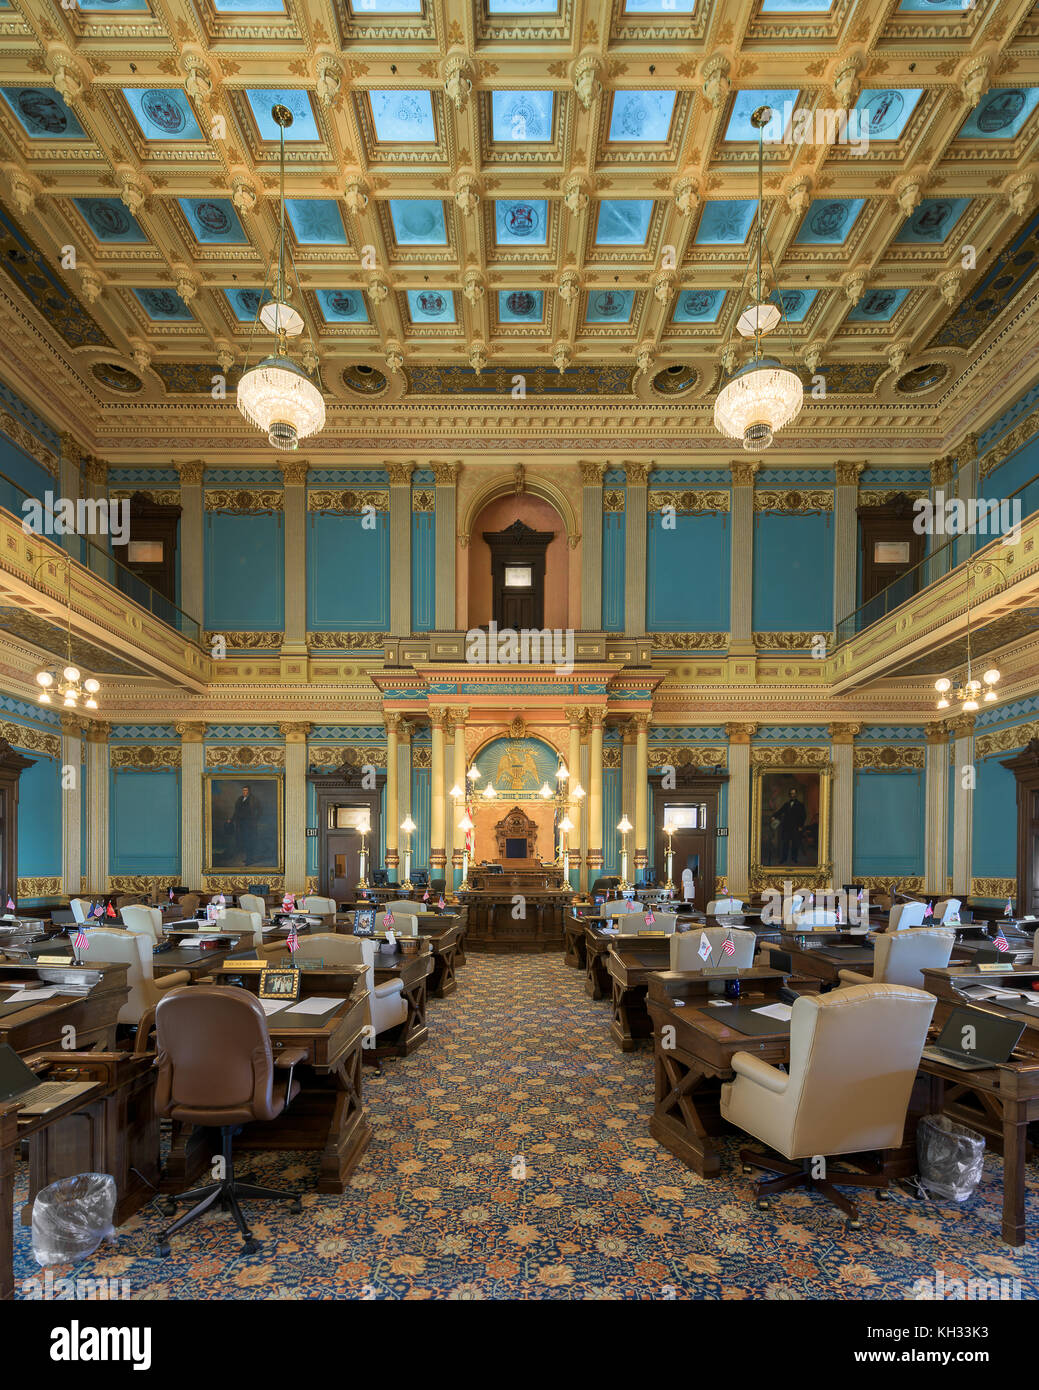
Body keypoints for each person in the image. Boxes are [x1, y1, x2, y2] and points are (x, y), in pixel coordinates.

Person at [772, 787, 806, 864]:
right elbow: (780, 811)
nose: (792, 795)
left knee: (795, 844)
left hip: (796, 827)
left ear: (796, 795)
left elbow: (803, 816)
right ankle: (784, 858)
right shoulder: (786, 804)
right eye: (791, 793)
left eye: (794, 793)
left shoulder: (800, 805)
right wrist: (774, 816)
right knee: (785, 844)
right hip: (786, 827)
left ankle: (794, 858)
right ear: (789, 795)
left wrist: (800, 826)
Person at [227, 784, 258, 866]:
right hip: (240, 824)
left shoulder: (253, 799)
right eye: (243, 790)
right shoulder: (240, 799)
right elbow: (236, 811)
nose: (244, 792)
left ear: (249, 791)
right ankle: (248, 858)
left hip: (249, 824)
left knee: (249, 841)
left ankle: (250, 860)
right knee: (244, 841)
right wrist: (231, 819)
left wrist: (254, 819)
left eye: (246, 790)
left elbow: (259, 810)